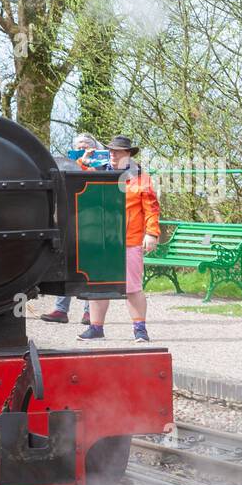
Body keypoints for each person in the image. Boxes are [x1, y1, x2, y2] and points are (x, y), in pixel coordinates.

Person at [77, 135, 160, 343]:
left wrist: (152, 233)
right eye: (111, 150)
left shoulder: (141, 178)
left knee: (132, 287)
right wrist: (83, 160)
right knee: (98, 285)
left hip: (129, 239)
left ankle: (140, 329)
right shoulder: (99, 172)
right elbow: (75, 177)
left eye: (118, 151)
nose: (113, 154)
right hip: (101, 240)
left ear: (128, 154)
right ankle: (96, 329)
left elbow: (151, 209)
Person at [40, 132, 100, 324]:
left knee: (88, 266)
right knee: (66, 263)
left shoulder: (99, 164)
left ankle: (90, 311)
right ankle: (61, 309)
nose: (82, 148)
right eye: (79, 145)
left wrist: (85, 162)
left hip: (91, 221)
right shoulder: (65, 164)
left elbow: (90, 181)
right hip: (70, 220)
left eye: (86, 145)